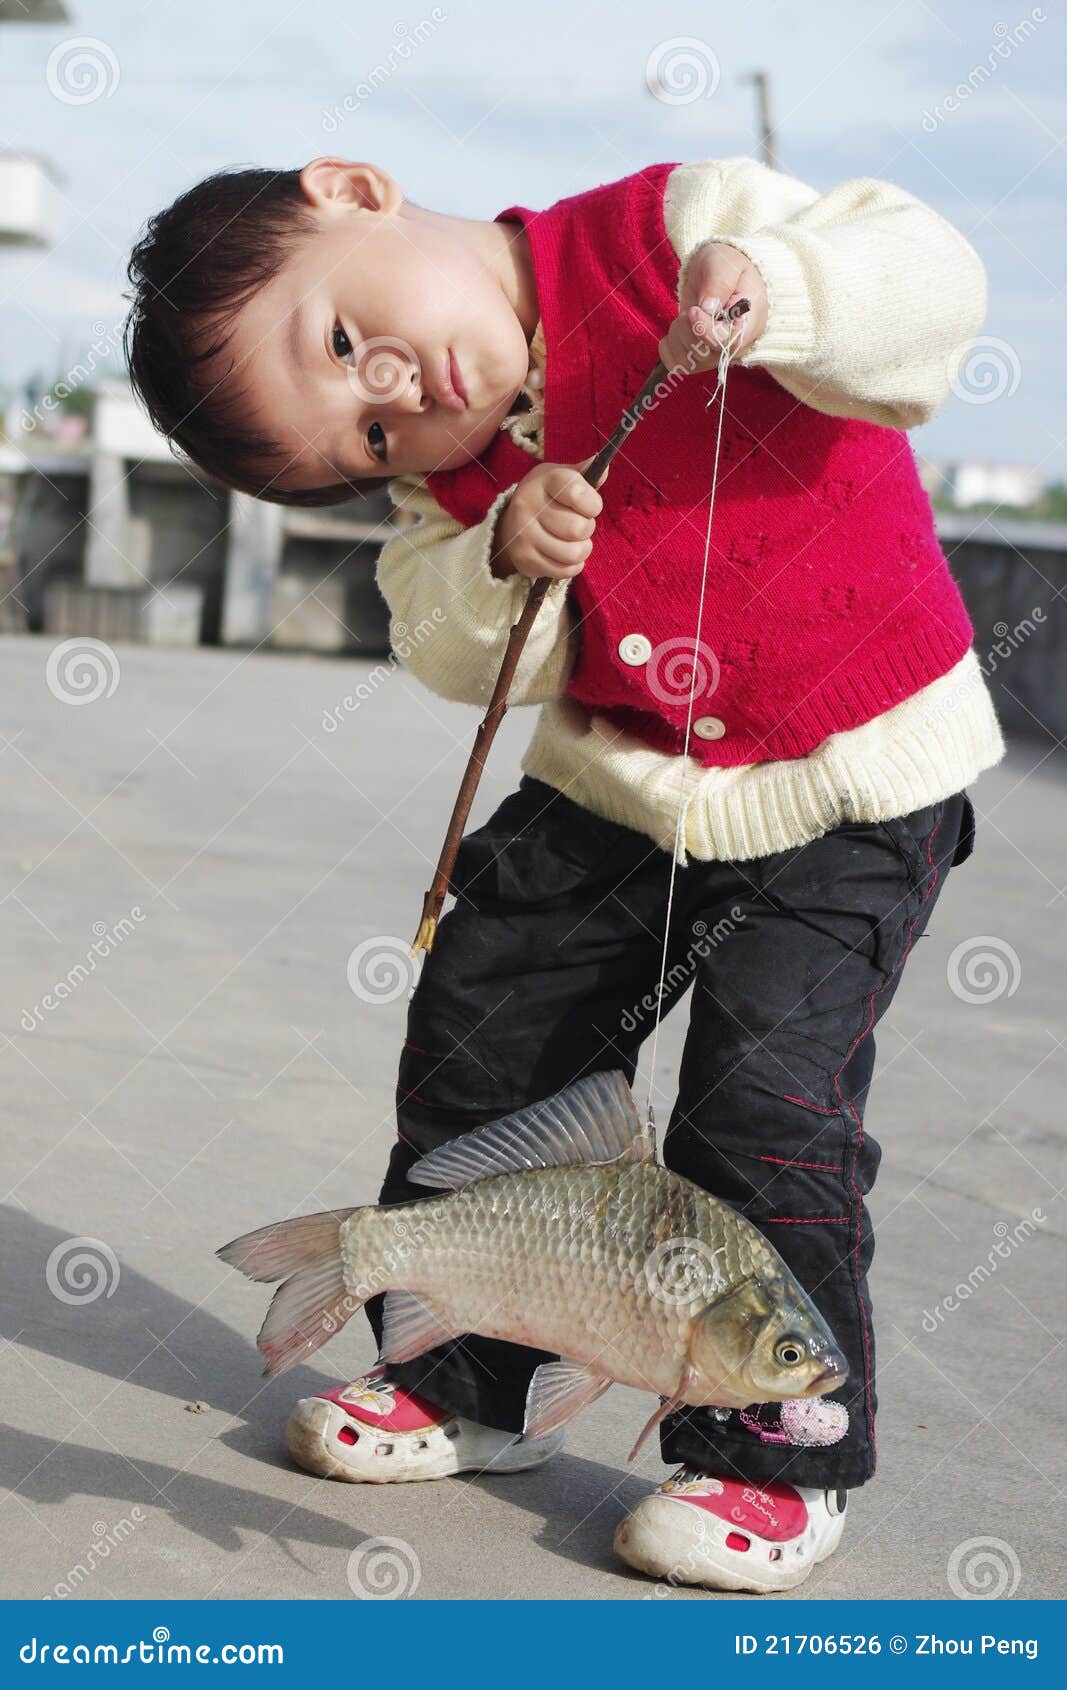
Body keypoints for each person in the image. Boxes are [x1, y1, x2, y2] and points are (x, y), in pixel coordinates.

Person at [125, 153, 1005, 1592]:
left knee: (761, 1100)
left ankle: (775, 1447)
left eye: (345, 340)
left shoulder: (680, 223)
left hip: (851, 774)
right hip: (618, 781)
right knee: (488, 1048)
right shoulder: (444, 487)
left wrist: (782, 288)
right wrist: (502, 567)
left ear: (354, 189)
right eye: (359, 439)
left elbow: (927, 289)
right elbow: (450, 649)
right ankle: (472, 1382)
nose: (393, 398)